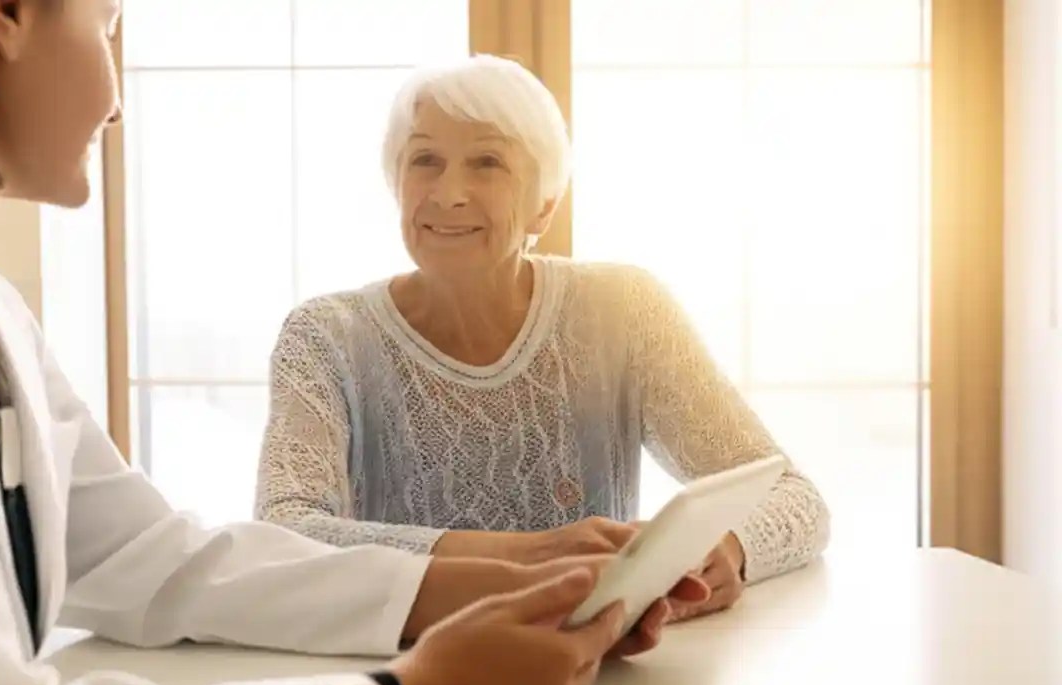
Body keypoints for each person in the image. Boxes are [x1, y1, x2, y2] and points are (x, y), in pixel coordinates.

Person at [0, 2, 710, 685]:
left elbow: (157, 556)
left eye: (490, 165)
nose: (113, 98)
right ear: (8, 16)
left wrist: (493, 585)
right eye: (107, 27)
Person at [256, 54, 831, 620]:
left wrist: (729, 547)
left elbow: (794, 498)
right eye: (425, 160)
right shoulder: (324, 337)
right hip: (404, 678)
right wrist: (537, 555)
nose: (449, 193)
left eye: (487, 163)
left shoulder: (624, 309)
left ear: (544, 206)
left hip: (592, 671)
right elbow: (283, 533)